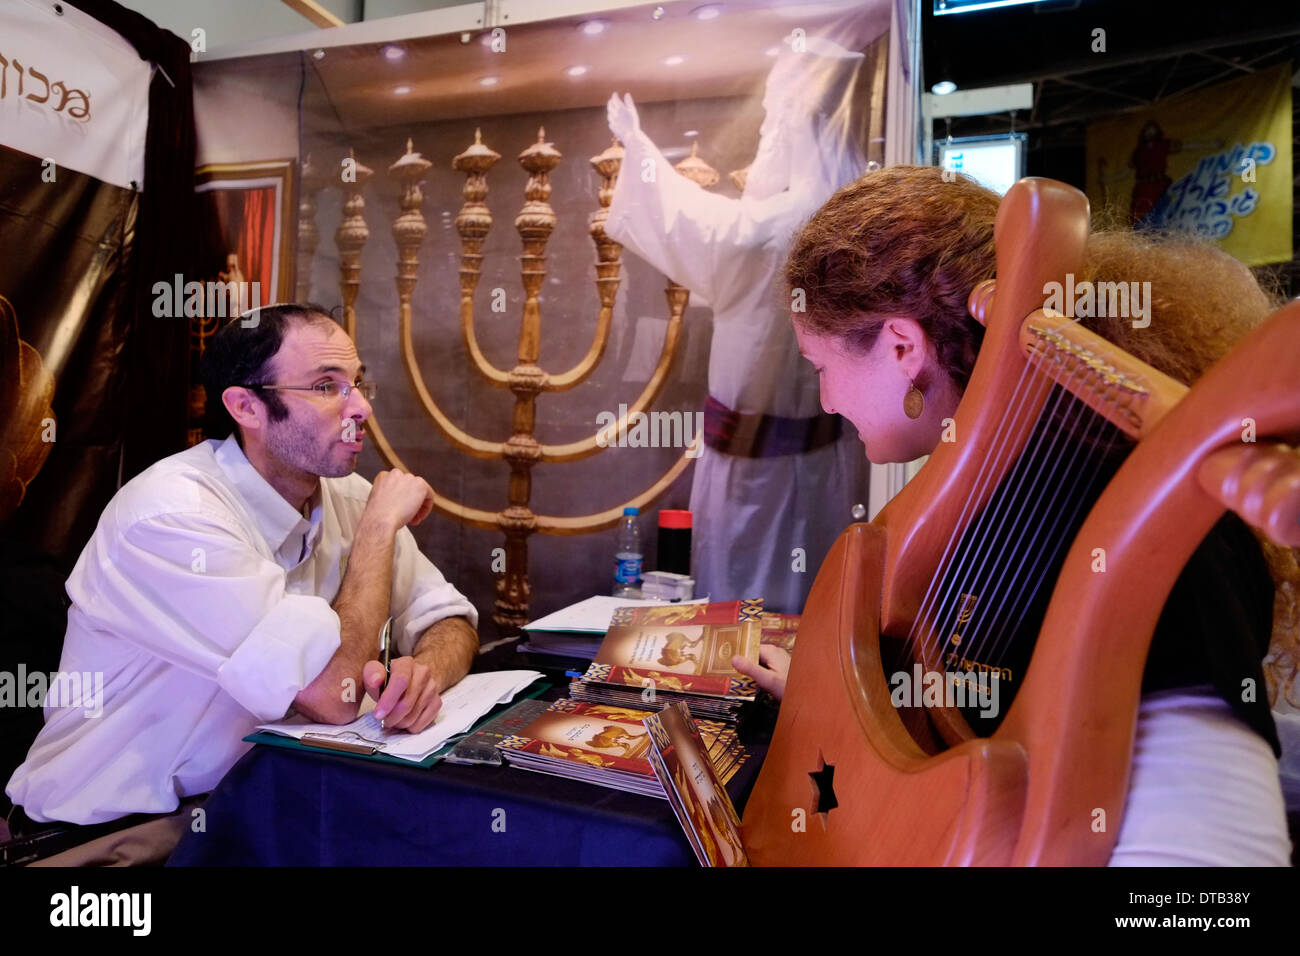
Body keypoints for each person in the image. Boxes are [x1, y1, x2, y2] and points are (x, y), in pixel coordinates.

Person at [734, 165, 1295, 865]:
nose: (824, 401)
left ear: (904, 347)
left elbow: (1213, 878)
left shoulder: (1140, 515)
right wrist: (843, 700)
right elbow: (972, 714)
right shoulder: (1001, 483)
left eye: (818, 365)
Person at [5, 304, 478, 862]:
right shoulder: (171, 515)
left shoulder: (348, 497)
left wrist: (423, 672)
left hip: (260, 814)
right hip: (114, 839)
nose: (361, 407)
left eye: (357, 382)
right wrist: (377, 530)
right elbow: (333, 692)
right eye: (327, 386)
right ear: (245, 406)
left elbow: (448, 618)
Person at [603, 33, 874, 614]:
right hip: (829, 466)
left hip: (753, 473)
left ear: (796, 121)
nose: (765, 132)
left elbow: (696, 224)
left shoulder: (772, 228)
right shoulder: (860, 220)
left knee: (740, 618)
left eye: (773, 118)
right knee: (814, 606)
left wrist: (637, 146)